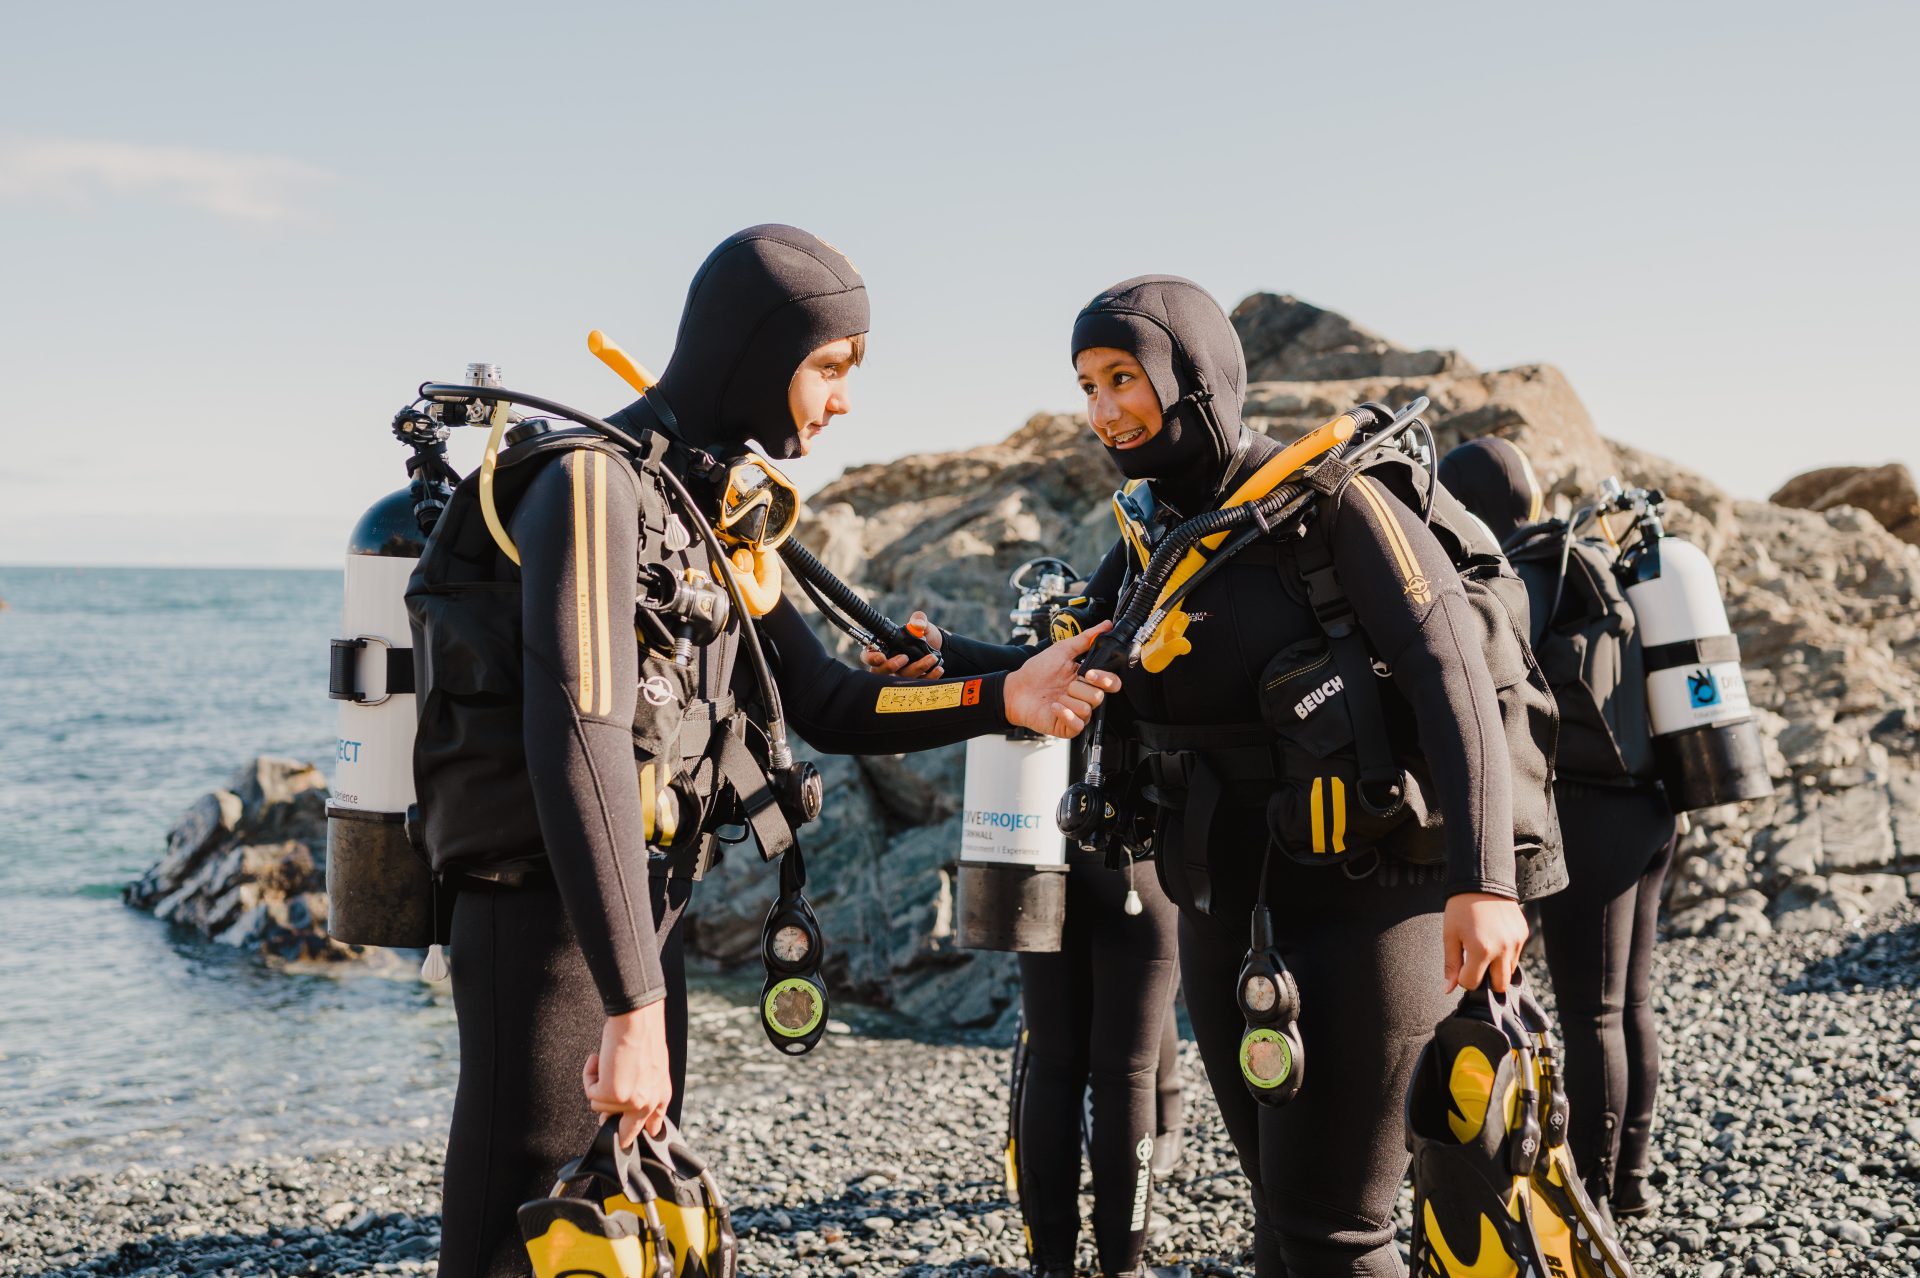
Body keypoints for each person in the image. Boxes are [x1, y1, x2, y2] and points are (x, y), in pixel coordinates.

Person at [409, 224, 1121, 1278]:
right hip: (549, 929)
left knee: (612, 1243)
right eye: (827, 367)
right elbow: (580, 743)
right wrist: (629, 1006)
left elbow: (827, 701)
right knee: (516, 1240)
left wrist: (1006, 694)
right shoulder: (596, 489)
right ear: (753, 351)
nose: (841, 400)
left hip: (634, 919)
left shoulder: (704, 510)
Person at [871, 275, 1556, 1277]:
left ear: (1189, 375)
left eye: (1122, 378)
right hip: (1223, 912)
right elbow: (1082, 664)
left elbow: (1447, 673)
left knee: (1340, 1230)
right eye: (1086, 385)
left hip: (1364, 907)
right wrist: (956, 659)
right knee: (1280, 1217)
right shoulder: (1155, 538)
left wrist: (1485, 882)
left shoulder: (1334, 506)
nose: (1103, 409)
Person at [1440, 437, 1676, 1218]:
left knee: (1594, 1012)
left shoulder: (1521, 576)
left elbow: (1492, 700)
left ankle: (1598, 1198)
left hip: (1589, 810)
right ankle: (1630, 1180)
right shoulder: (1583, 561)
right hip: (1647, 808)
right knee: (1624, 1001)